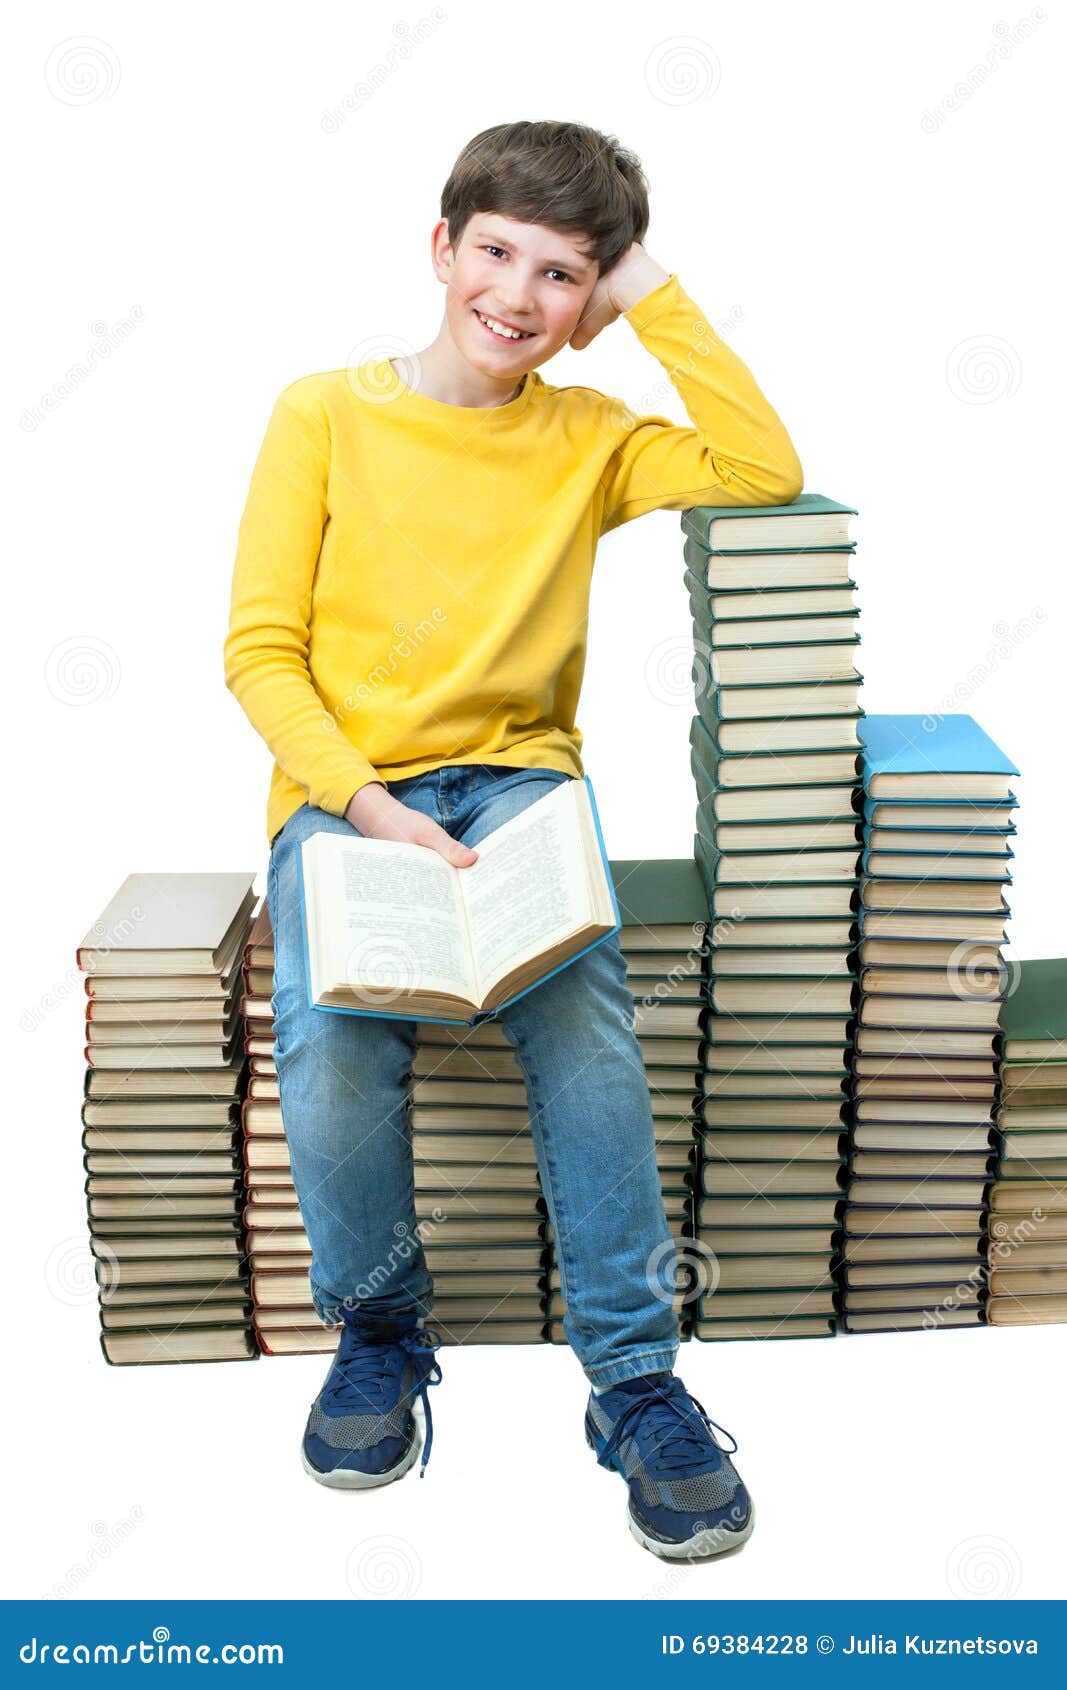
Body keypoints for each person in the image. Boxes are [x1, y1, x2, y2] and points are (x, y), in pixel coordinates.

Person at [224, 119, 803, 1561]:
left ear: (592, 302)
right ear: (441, 248)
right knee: (337, 1027)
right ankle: (379, 1323)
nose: (518, 296)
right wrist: (364, 804)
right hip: (353, 788)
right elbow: (259, 653)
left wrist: (650, 285)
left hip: (526, 782)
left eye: (564, 274)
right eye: (496, 251)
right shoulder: (323, 414)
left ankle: (632, 1378)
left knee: (587, 1022)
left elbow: (763, 467)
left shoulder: (590, 435)